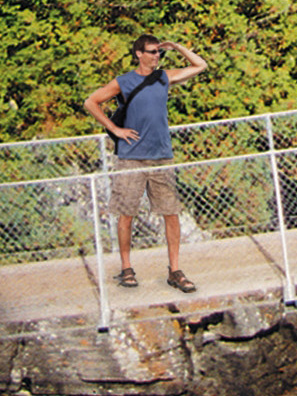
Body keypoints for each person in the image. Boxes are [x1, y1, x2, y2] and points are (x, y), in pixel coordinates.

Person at [85, 33, 208, 291]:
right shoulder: (125, 81)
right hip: (131, 158)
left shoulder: (163, 77)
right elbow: (91, 102)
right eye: (152, 51)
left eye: (159, 52)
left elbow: (200, 66)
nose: (156, 56)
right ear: (139, 53)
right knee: (126, 214)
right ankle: (126, 268)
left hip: (162, 157)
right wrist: (115, 130)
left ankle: (175, 271)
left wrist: (176, 46)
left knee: (171, 213)